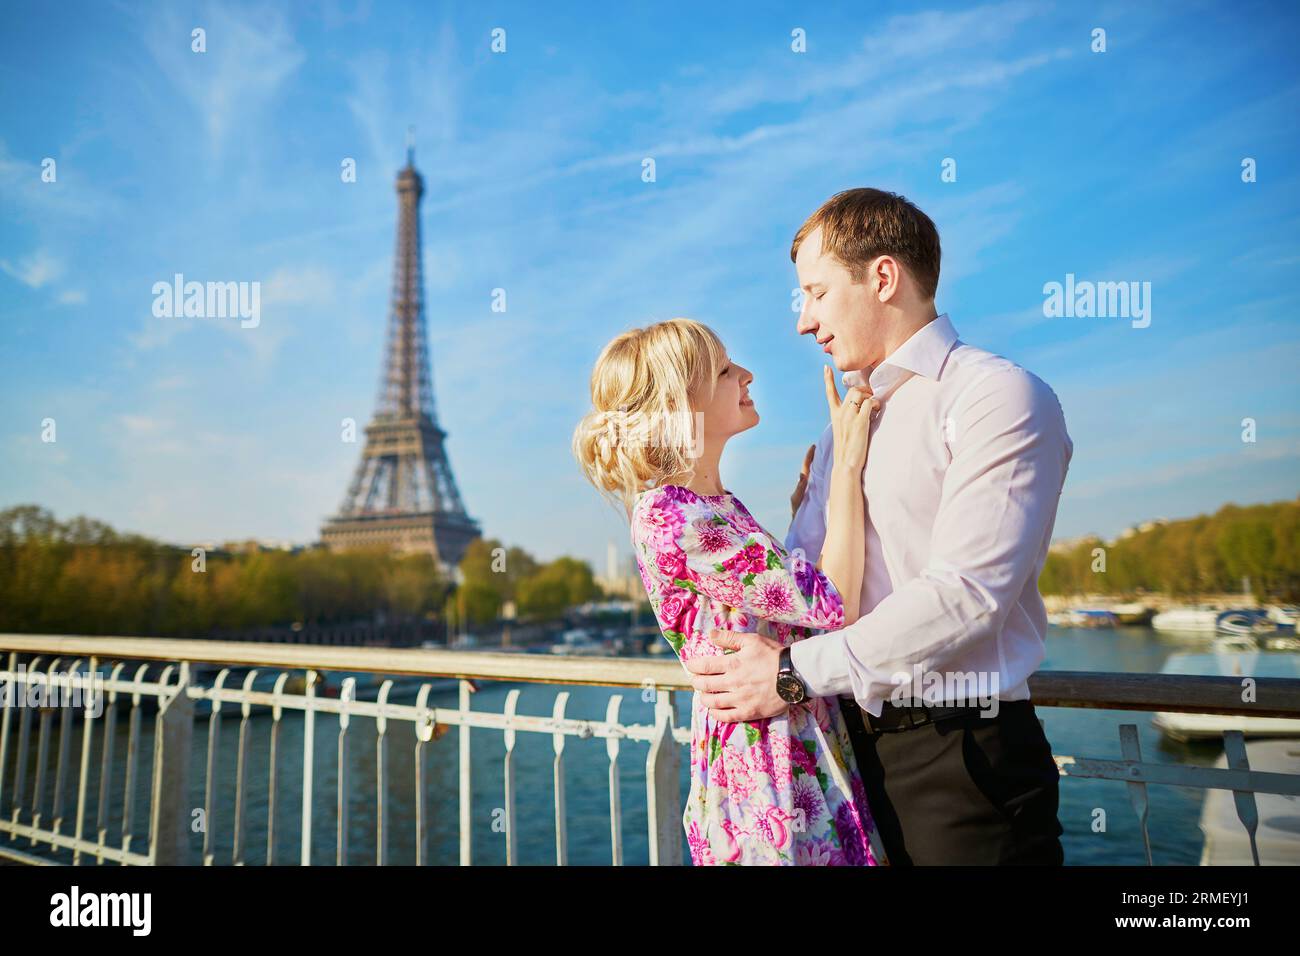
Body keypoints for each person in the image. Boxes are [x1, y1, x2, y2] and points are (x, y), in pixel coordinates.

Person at [682, 188, 1073, 865]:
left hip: (955, 759)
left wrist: (791, 675)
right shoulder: (844, 428)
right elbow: (820, 597)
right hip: (843, 750)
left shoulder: (993, 396)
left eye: (816, 292)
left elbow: (969, 595)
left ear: (883, 277)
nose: (803, 322)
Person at [572, 318, 886, 865]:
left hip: (787, 750)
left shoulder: (714, 507)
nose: (746, 373)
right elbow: (833, 602)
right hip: (769, 776)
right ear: (680, 404)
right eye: (723, 370)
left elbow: (784, 605)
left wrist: (802, 521)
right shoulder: (672, 514)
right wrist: (847, 469)